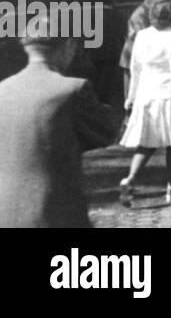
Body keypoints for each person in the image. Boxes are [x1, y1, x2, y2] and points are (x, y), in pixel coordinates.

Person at [0, 17, 117, 227]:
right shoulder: (73, 89)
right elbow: (105, 132)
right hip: (56, 212)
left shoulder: (3, 90)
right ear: (68, 46)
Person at [119, 0, 171, 206]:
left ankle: (130, 179)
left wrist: (131, 97)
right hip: (169, 93)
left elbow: (135, 69)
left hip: (146, 92)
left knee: (146, 143)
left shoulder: (142, 36)